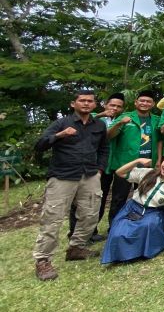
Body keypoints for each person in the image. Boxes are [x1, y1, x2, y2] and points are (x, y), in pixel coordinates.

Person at [33, 90, 109, 281]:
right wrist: (60, 135)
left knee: (91, 213)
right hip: (63, 176)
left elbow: (104, 149)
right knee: (53, 218)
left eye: (89, 101)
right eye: (82, 100)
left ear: (94, 105)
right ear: (73, 104)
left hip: (90, 174)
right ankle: (43, 260)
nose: (86, 104)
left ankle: (76, 247)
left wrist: (100, 169)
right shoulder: (62, 123)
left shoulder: (99, 125)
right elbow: (40, 145)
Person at [101, 153, 164, 264]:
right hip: (132, 208)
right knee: (117, 234)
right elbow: (120, 172)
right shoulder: (148, 173)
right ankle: (124, 253)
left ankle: (135, 253)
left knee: (147, 227)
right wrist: (137, 161)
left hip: (155, 213)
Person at [68, 92, 124, 243]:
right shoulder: (91, 117)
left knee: (114, 198)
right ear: (105, 104)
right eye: (112, 105)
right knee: (88, 199)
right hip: (93, 164)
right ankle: (78, 232)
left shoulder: (124, 120)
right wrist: (101, 114)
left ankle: (110, 228)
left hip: (114, 163)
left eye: (119, 106)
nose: (115, 108)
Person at [103, 90, 160, 230]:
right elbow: (108, 136)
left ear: (153, 104)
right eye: (142, 100)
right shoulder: (125, 117)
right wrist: (119, 124)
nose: (145, 103)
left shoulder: (156, 119)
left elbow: (160, 140)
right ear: (136, 102)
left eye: (148, 101)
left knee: (143, 195)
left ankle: (138, 224)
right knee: (119, 197)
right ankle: (115, 226)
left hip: (147, 164)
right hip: (125, 165)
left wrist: (158, 160)